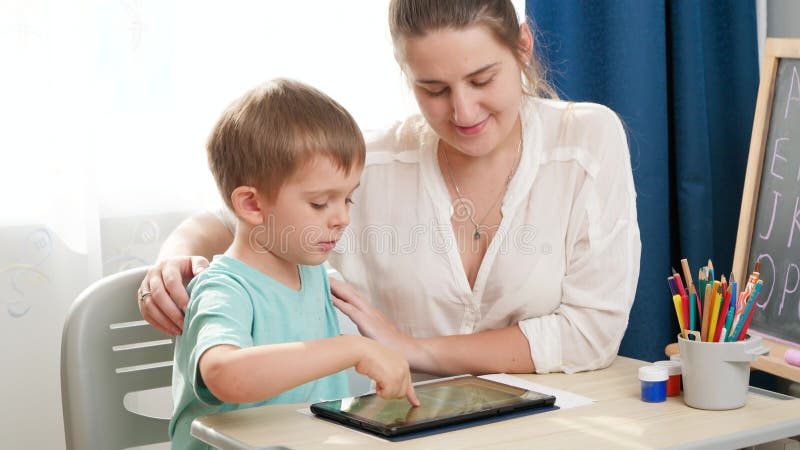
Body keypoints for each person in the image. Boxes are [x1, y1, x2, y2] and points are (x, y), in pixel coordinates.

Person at [140, 0, 641, 378]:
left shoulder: (585, 141)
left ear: (523, 46)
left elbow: (589, 334)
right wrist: (171, 260)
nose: (463, 112)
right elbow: (233, 218)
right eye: (433, 89)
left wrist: (410, 348)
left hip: (550, 422)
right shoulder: (371, 163)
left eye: (482, 79)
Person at [165, 78, 418, 450]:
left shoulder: (311, 272)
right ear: (252, 205)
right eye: (320, 203)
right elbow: (223, 374)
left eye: (348, 199)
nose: (342, 218)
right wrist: (353, 349)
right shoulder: (223, 288)